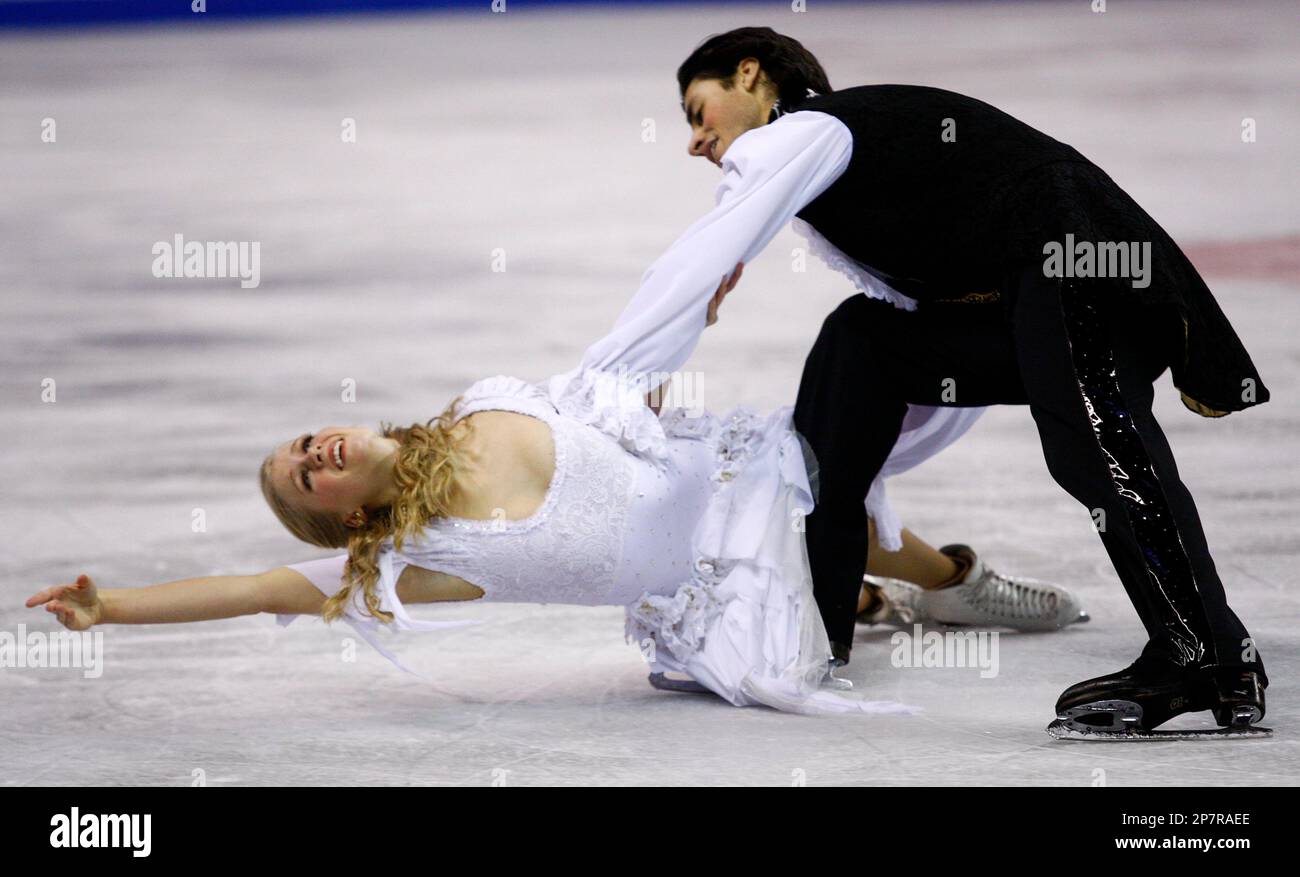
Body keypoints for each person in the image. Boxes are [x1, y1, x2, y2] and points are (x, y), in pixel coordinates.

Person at [663, 27, 1269, 733]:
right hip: (1028, 297)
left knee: (1093, 443)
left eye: (697, 110)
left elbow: (709, 246)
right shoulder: (830, 162)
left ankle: (1208, 652)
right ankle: (813, 626)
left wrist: (636, 366)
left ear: (749, 74)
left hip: (1076, 257)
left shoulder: (810, 128)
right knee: (858, 341)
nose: (694, 140)